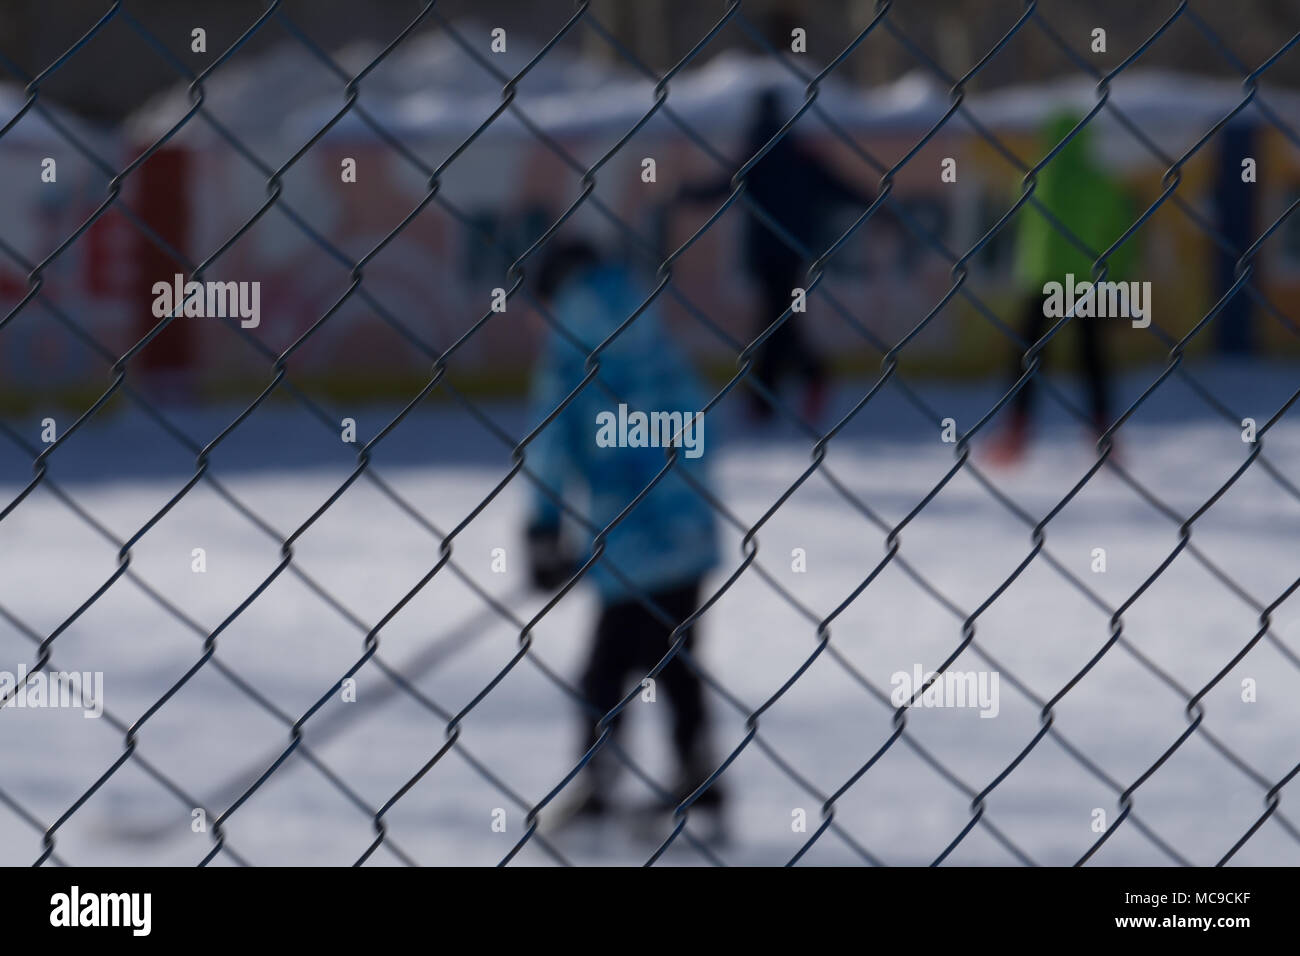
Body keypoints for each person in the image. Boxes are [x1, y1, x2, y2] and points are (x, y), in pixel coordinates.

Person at [524, 239, 724, 831]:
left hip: (626, 544)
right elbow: (698, 426)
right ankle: (699, 775)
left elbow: (551, 449)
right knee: (676, 660)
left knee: (604, 668)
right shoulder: (653, 333)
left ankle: (599, 778)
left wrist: (543, 529)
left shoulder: (569, 354)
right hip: (685, 537)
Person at [677, 88, 880, 423]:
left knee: (776, 323)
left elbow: (720, 187)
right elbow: (838, 186)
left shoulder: (756, 154)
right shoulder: (799, 153)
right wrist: (873, 202)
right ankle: (780, 390)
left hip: (765, 254)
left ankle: (782, 389)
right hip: (794, 254)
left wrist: (686, 194)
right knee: (778, 322)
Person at [988, 112, 1137, 464]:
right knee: (1093, 359)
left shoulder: (1034, 177)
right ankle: (1105, 434)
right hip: (1084, 281)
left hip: (1042, 280)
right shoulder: (1099, 180)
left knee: (1026, 358)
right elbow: (1122, 232)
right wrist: (1118, 282)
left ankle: (1015, 433)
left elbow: (1015, 215)